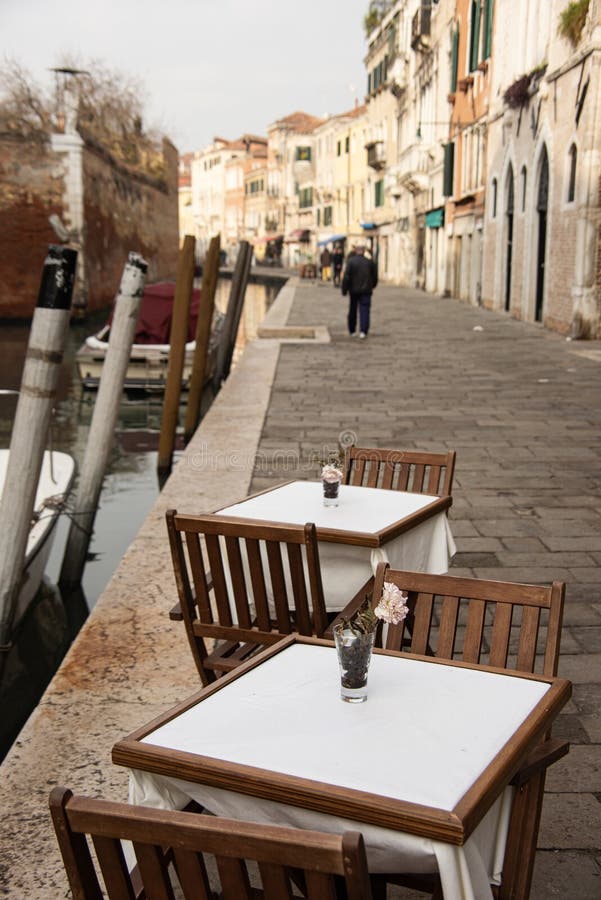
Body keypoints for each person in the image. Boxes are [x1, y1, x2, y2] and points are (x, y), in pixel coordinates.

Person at [341, 241, 377, 339]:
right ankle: (363, 331)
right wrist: (372, 286)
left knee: (353, 310)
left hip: (354, 290)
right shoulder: (369, 262)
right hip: (366, 290)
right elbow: (374, 276)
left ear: (356, 251)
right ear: (364, 251)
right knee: (365, 310)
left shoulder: (351, 262)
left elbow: (346, 277)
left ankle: (352, 330)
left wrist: (344, 289)